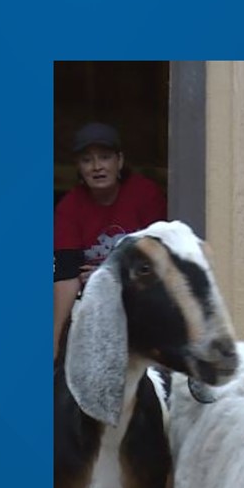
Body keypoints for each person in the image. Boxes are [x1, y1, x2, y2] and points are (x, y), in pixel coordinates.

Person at [53, 122, 167, 362]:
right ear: (78, 167)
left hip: (141, 299)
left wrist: (109, 273)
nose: (97, 167)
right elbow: (66, 276)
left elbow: (159, 262)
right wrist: (52, 341)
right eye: (87, 160)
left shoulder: (145, 194)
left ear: (120, 162)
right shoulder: (69, 208)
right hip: (91, 305)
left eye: (105, 158)